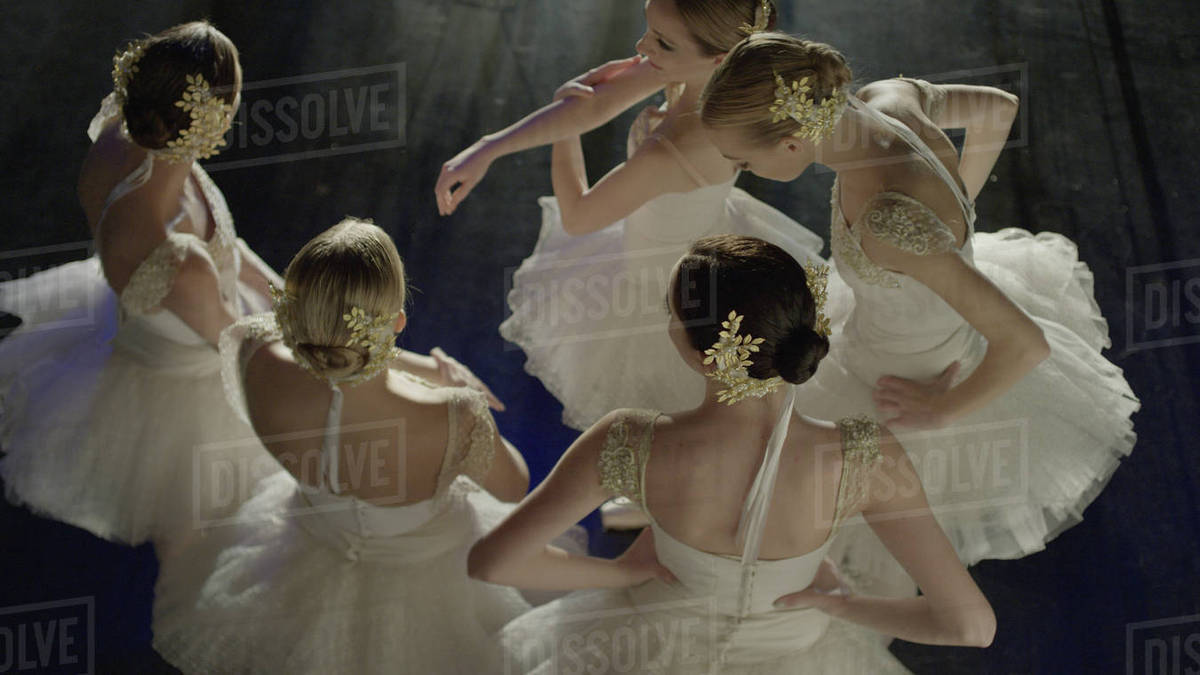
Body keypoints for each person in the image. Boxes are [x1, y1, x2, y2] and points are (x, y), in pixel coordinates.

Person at [699, 33, 1138, 592]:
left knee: (833, 506)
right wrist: (953, 217)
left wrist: (942, 411)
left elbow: (1026, 343)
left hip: (905, 373)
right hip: (910, 316)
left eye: (744, 160)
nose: (744, 169)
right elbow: (998, 110)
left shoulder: (889, 225)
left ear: (789, 143)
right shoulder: (888, 98)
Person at [469, 235, 995, 674]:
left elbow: (493, 562)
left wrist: (625, 573)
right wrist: (836, 604)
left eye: (671, 314)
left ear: (701, 353)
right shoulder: (866, 457)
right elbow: (969, 626)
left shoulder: (627, 441)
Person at [152, 218, 584, 674]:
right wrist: (452, 385)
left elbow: (308, 343)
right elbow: (513, 488)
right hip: (429, 586)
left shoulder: (252, 353)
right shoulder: (455, 416)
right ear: (398, 322)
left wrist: (424, 368)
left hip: (303, 551)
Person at [436, 0, 824, 432]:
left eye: (662, 42)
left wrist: (566, 134)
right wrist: (488, 148)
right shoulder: (714, 75)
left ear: (718, 57)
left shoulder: (673, 151)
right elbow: (595, 103)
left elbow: (578, 217)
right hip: (689, 226)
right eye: (649, 29)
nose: (641, 46)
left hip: (661, 280)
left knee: (659, 417)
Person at [0, 21, 281, 544]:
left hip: (155, 310)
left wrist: (286, 293)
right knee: (208, 520)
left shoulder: (122, 131)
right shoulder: (178, 256)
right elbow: (239, 344)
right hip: (191, 360)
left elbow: (230, 251)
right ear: (214, 120)